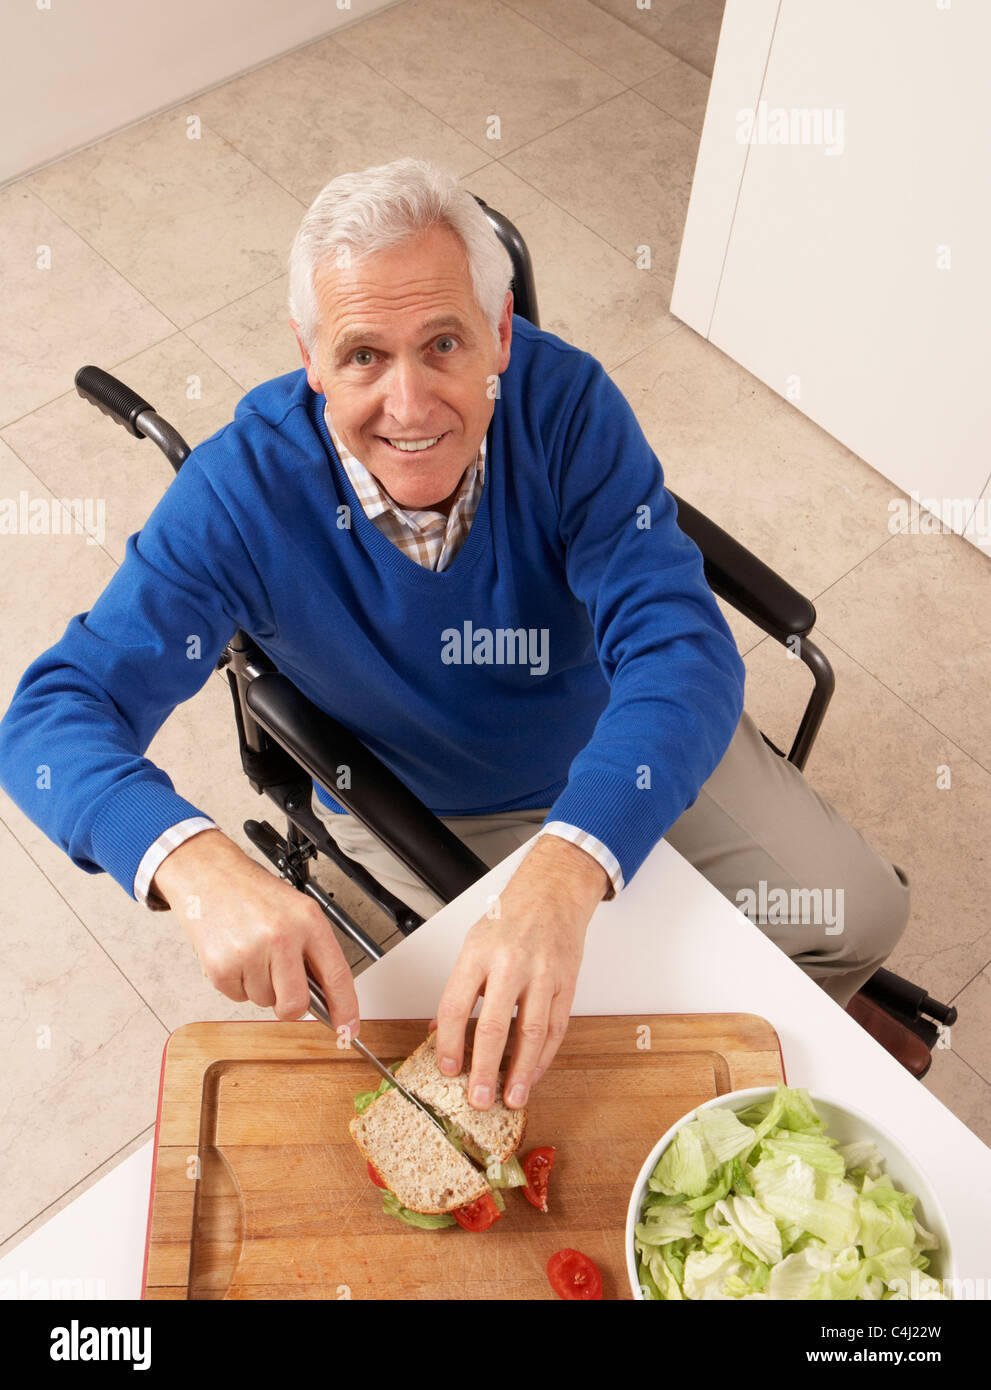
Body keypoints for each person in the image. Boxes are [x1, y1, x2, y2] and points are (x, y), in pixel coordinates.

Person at [0, 158, 910, 1116]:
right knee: (573, 1067)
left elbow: (678, 649)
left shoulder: (567, 406)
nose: (409, 406)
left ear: (500, 335)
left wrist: (569, 866)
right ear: (309, 358)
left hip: (621, 735)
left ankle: (798, 1018)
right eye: (361, 356)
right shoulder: (238, 497)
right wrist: (187, 858)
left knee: (858, 917)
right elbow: (49, 722)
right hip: (430, 796)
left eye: (443, 343)